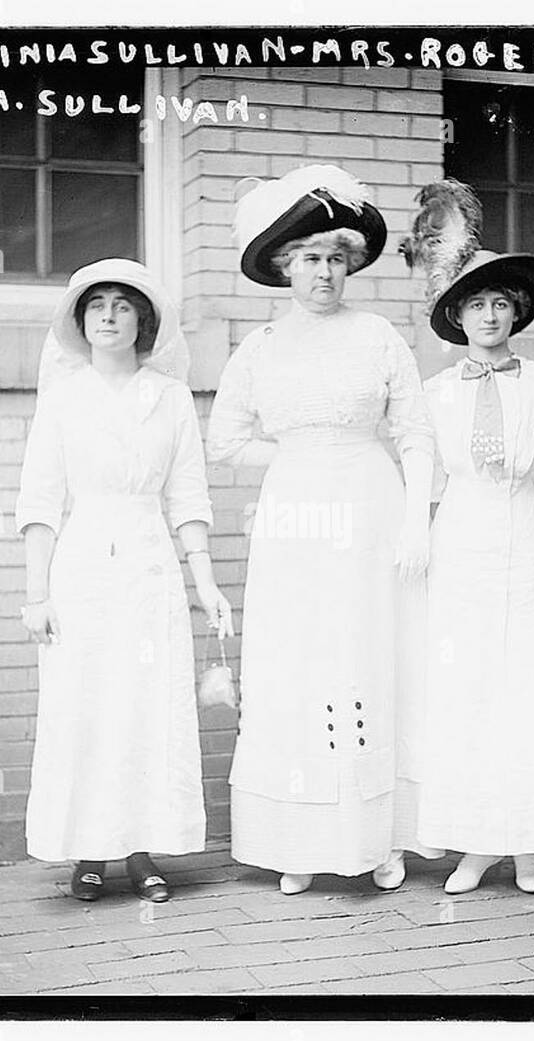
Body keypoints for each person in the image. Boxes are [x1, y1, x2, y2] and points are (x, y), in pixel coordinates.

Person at [206, 165, 442, 895]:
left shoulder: (377, 338)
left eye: (337, 258)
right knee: (299, 666)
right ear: (284, 267)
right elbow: (225, 440)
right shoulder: (261, 348)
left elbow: (417, 436)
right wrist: (296, 457)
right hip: (295, 519)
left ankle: (380, 840)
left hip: (370, 511)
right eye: (309, 258)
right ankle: (299, 844)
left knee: (369, 657)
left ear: (351, 265)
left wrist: (413, 521)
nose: (324, 273)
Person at [15, 258, 233, 904]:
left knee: (144, 705)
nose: (109, 315)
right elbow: (40, 501)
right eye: (97, 305)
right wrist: (36, 593)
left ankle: (140, 850)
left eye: (122, 305)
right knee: (85, 703)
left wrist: (207, 584)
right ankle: (87, 853)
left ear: (143, 322)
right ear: (82, 323)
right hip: (81, 569)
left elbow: (188, 498)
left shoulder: (167, 401)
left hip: (148, 568)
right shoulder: (62, 400)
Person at [402, 180, 534, 895]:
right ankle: (477, 846)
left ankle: (531, 845)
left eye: (500, 303)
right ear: (458, 315)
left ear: (517, 313)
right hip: (460, 551)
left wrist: (527, 543)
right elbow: (429, 480)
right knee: (469, 692)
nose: (489, 315)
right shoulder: (436, 392)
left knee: (525, 692)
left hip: (525, 550)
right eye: (476, 304)